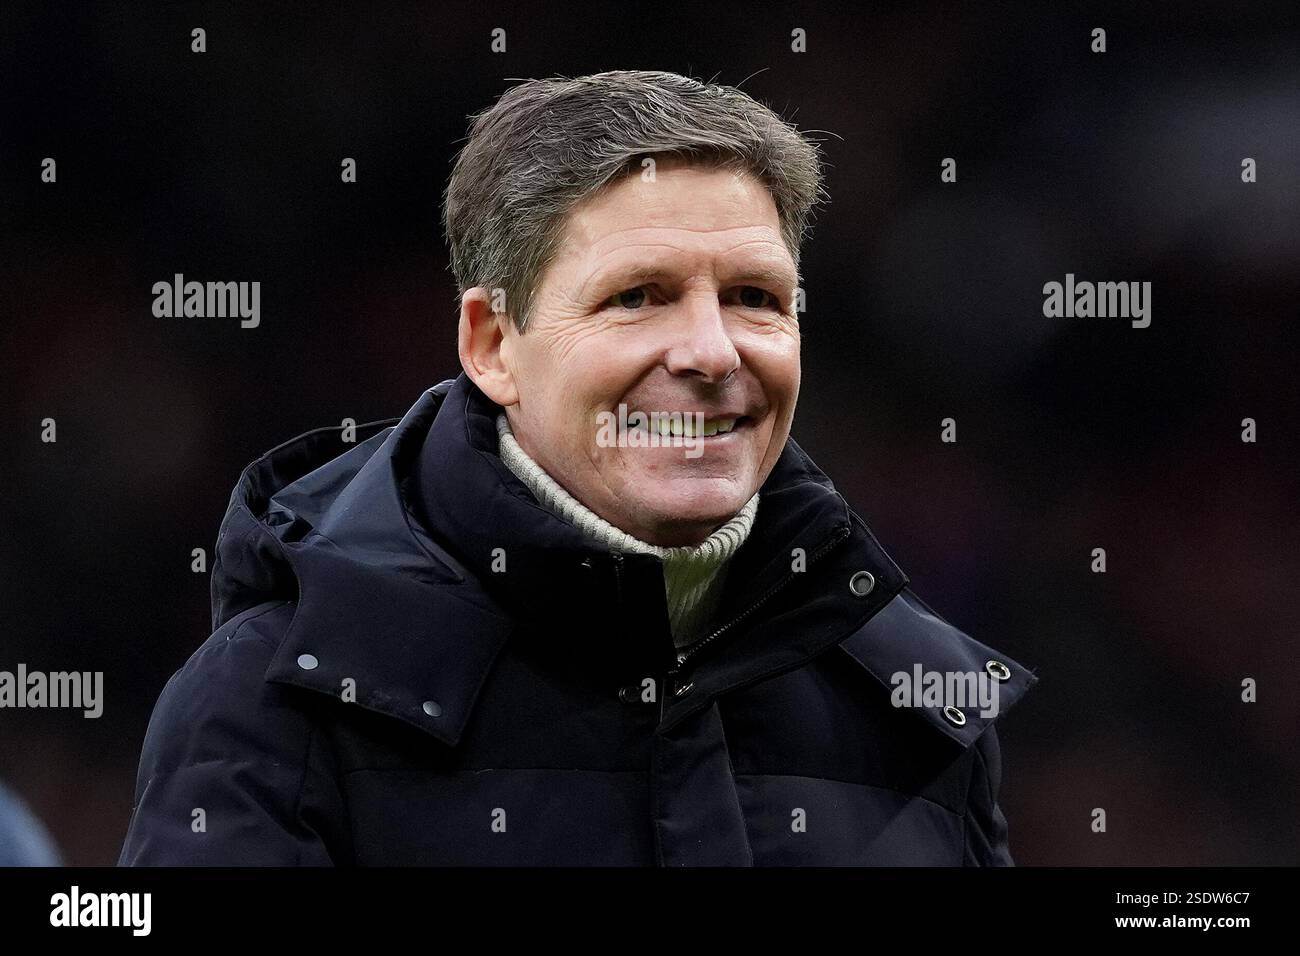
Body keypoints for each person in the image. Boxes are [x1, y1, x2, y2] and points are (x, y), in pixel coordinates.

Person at [119, 69, 1036, 866]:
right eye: (638, 297)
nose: (713, 352)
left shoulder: (913, 702)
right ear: (492, 345)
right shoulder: (276, 697)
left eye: (756, 298)